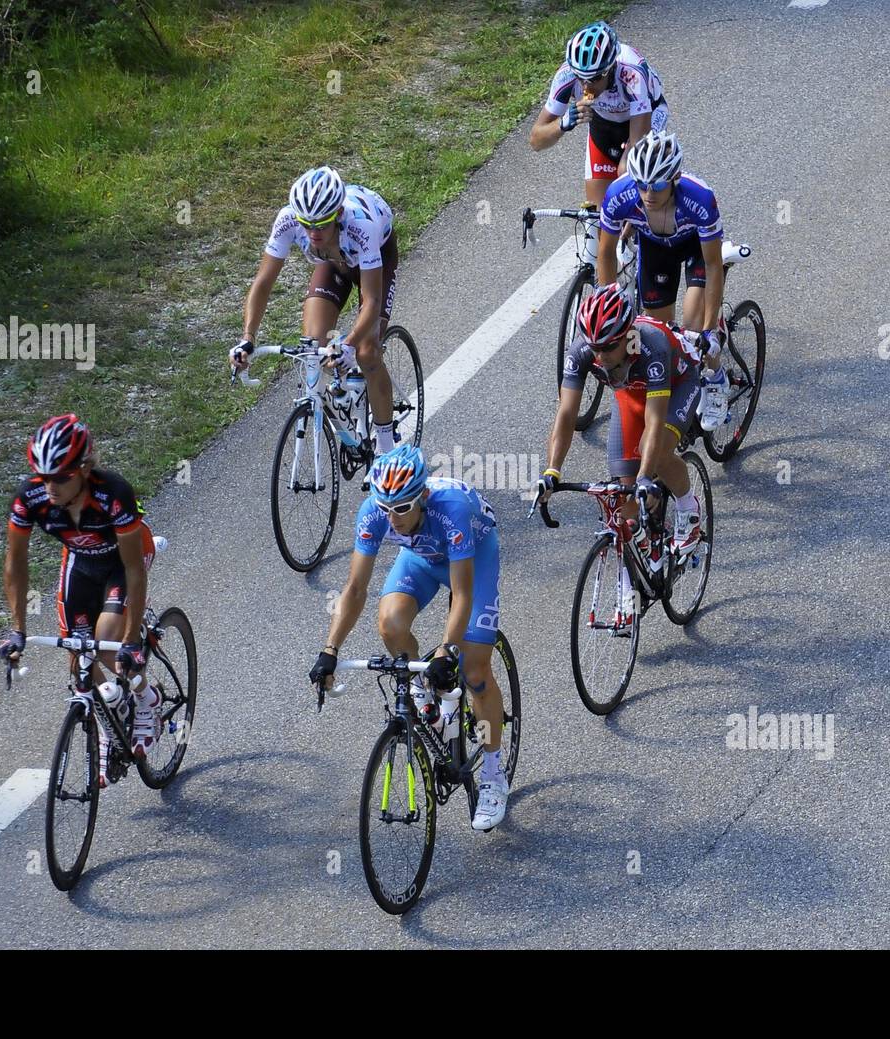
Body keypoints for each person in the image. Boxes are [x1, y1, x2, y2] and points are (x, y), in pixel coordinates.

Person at [308, 445, 510, 830]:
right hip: (420, 557)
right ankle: (428, 694)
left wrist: (448, 651)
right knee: (390, 624)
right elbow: (354, 589)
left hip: (471, 556)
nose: (393, 517)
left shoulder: (450, 510)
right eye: (386, 508)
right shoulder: (377, 513)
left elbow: (462, 594)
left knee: (475, 670)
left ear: (422, 497)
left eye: (402, 508)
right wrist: (330, 648)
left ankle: (493, 775)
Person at [0, 415, 159, 781]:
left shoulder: (113, 493)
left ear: (84, 469)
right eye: (43, 476)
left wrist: (132, 641)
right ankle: (108, 721)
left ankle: (147, 698)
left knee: (108, 643)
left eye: (61, 477)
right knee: (78, 653)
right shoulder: (31, 497)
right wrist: (17, 630)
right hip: (82, 562)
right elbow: (15, 564)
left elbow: (134, 568)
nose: (50, 486)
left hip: (123, 562)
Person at [535, 284, 703, 628]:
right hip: (630, 395)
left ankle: (689, 508)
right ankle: (631, 584)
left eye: (609, 346)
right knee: (621, 502)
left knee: (653, 454)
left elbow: (655, 421)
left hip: (678, 383)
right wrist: (552, 470)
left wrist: (645, 477)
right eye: (595, 347)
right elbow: (566, 414)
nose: (601, 355)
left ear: (627, 335)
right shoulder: (584, 350)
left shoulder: (651, 345)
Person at [229, 166, 403, 454]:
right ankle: (347, 392)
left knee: (367, 351)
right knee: (313, 347)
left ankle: (387, 449)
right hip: (332, 262)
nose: (312, 232)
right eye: (306, 225)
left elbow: (371, 301)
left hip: (375, 260)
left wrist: (348, 344)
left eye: (321, 225)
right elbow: (262, 283)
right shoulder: (288, 221)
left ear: (337, 215)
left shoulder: (361, 227)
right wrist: (248, 337)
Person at [597, 130, 730, 430]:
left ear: (674, 178)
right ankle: (675, 394)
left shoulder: (699, 198)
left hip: (696, 246)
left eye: (657, 185)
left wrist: (710, 330)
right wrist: (609, 303)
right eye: (642, 185)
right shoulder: (620, 194)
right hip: (656, 250)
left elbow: (712, 266)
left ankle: (717, 377)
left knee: (694, 331)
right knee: (661, 337)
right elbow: (604, 253)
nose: (649, 194)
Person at [528, 20, 668, 260]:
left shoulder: (630, 73)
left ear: (610, 69)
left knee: (633, 189)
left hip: (645, 118)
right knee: (599, 222)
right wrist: (562, 124)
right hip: (603, 126)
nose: (585, 86)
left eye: (592, 79)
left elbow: (635, 144)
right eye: (580, 78)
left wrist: (631, 202)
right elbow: (536, 140)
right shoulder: (567, 76)